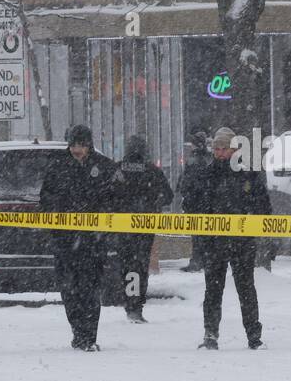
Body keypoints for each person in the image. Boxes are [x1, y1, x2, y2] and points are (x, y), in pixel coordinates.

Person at [183, 126, 272, 350]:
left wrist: (250, 218)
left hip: (242, 243)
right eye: (217, 148)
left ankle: (254, 337)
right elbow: (190, 206)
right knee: (213, 290)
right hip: (213, 243)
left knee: (246, 289)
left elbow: (264, 208)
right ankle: (210, 335)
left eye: (225, 148)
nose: (220, 153)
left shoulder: (249, 175)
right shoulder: (205, 175)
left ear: (235, 149)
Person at [40, 125, 117, 351]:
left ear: (89, 145)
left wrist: (101, 217)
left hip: (94, 241)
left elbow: (115, 198)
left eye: (81, 145)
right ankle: (77, 330)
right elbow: (45, 198)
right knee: (69, 290)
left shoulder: (103, 167)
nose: (77, 150)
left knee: (90, 289)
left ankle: (89, 336)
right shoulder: (58, 168)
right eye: (73, 145)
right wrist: (58, 212)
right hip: (65, 241)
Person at [111, 135, 174, 323]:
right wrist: (153, 202)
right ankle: (136, 305)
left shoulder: (117, 169)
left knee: (126, 264)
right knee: (140, 265)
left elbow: (107, 194)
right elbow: (168, 196)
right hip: (145, 226)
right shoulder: (152, 171)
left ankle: (129, 301)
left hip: (122, 227)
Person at [178, 131, 212, 271]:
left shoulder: (194, 160)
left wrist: (184, 191)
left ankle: (196, 262)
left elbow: (187, 182)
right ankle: (205, 260)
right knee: (205, 234)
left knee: (197, 235)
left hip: (195, 202)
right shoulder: (209, 158)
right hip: (206, 202)